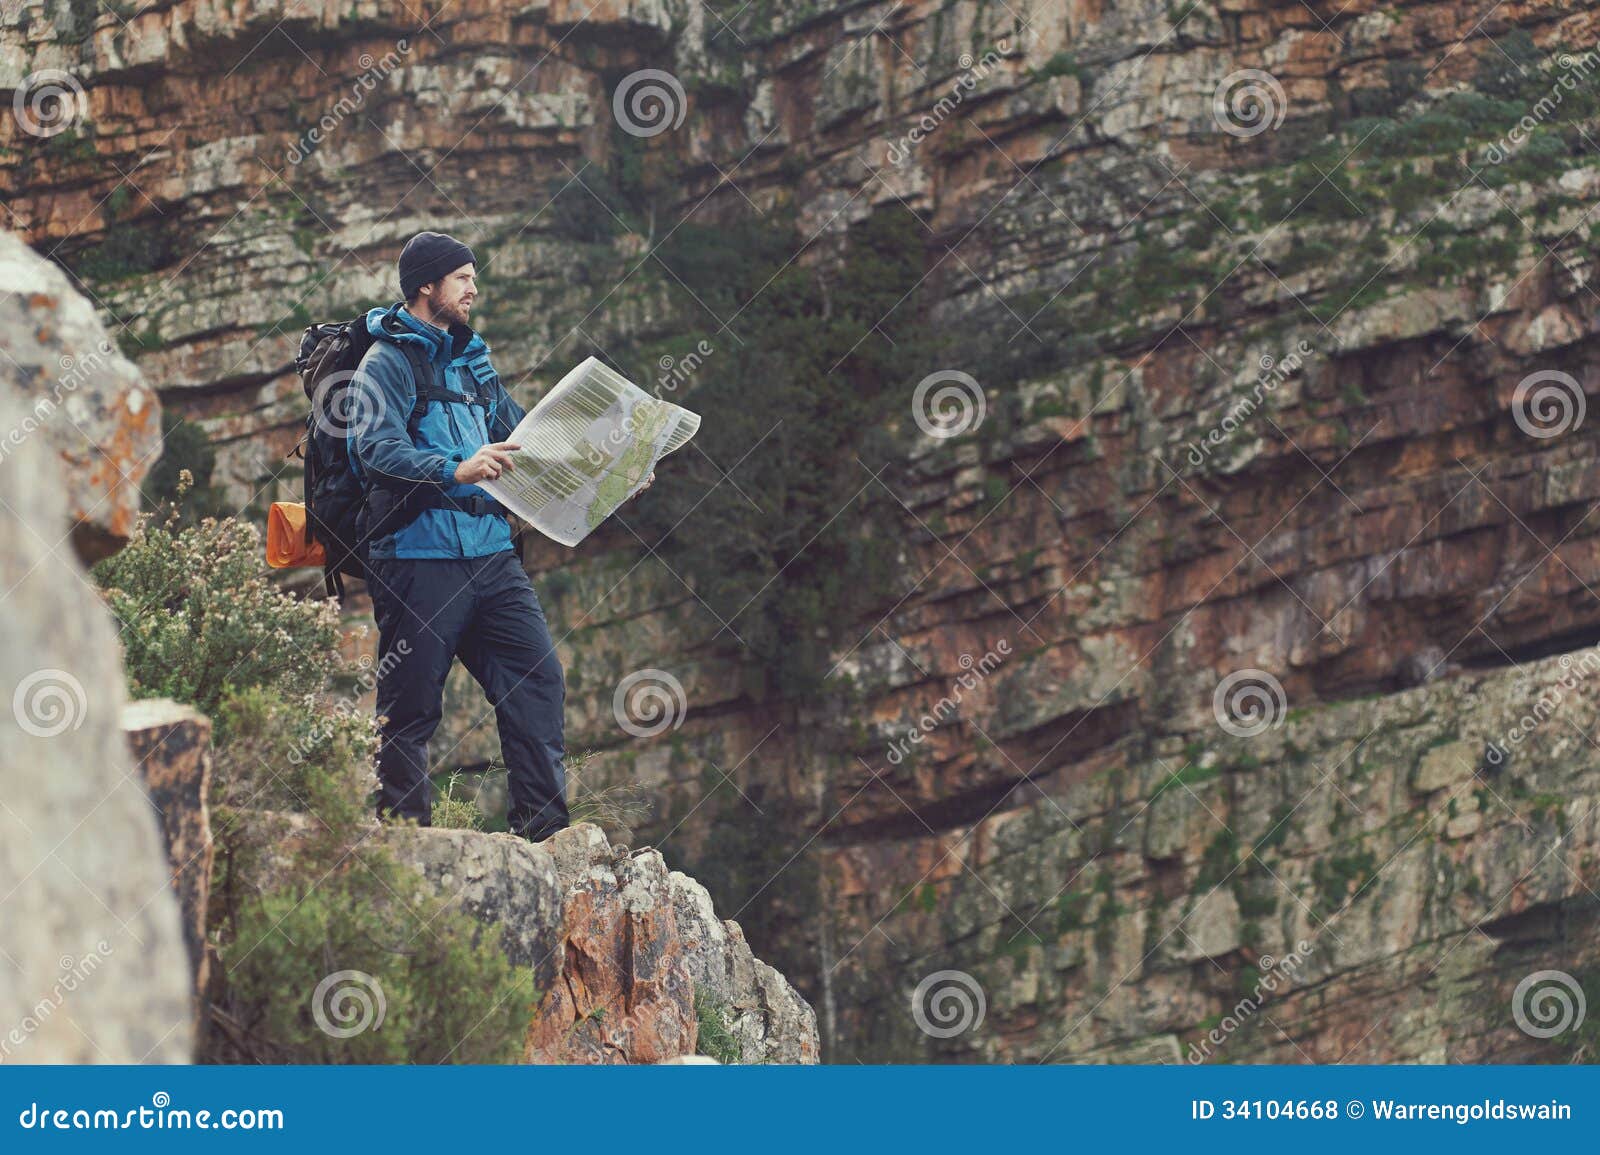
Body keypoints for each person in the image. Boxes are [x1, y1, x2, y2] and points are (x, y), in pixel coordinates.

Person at [349, 230, 648, 840]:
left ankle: (543, 836)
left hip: (492, 557)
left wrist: (615, 474)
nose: (474, 289)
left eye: (474, 277)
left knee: (537, 679)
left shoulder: (473, 366)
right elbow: (373, 450)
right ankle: (404, 847)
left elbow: (532, 447)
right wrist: (453, 469)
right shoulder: (385, 363)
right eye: (462, 278)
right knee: (409, 710)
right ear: (426, 285)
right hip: (418, 558)